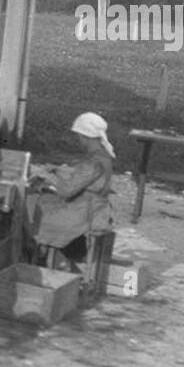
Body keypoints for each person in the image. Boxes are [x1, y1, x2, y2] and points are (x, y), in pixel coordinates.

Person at [27, 112, 116, 264]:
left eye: (78, 136)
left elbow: (66, 191)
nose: (78, 139)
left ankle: (41, 256)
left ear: (85, 136)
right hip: (92, 204)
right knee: (42, 200)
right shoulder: (101, 155)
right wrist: (57, 169)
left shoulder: (95, 161)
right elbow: (82, 176)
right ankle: (44, 254)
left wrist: (49, 178)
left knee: (34, 211)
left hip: (87, 211)